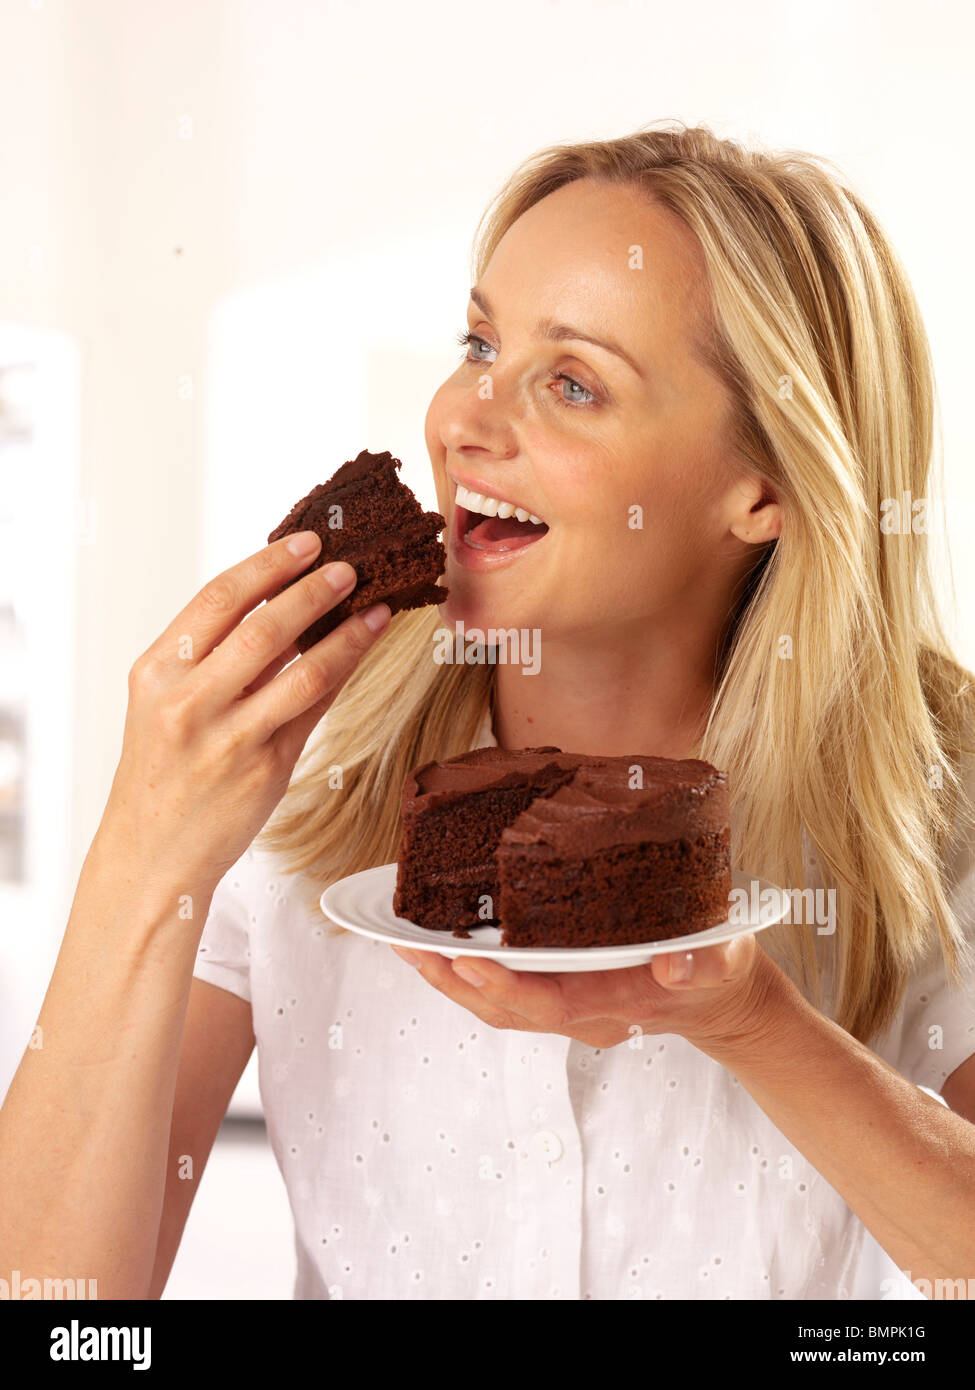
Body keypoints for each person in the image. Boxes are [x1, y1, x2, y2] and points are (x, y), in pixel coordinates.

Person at [2, 121, 974, 1302]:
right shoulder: (302, 806)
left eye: (571, 382)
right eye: (479, 342)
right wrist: (144, 852)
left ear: (759, 490)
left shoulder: (929, 823)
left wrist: (751, 1020)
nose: (463, 417)